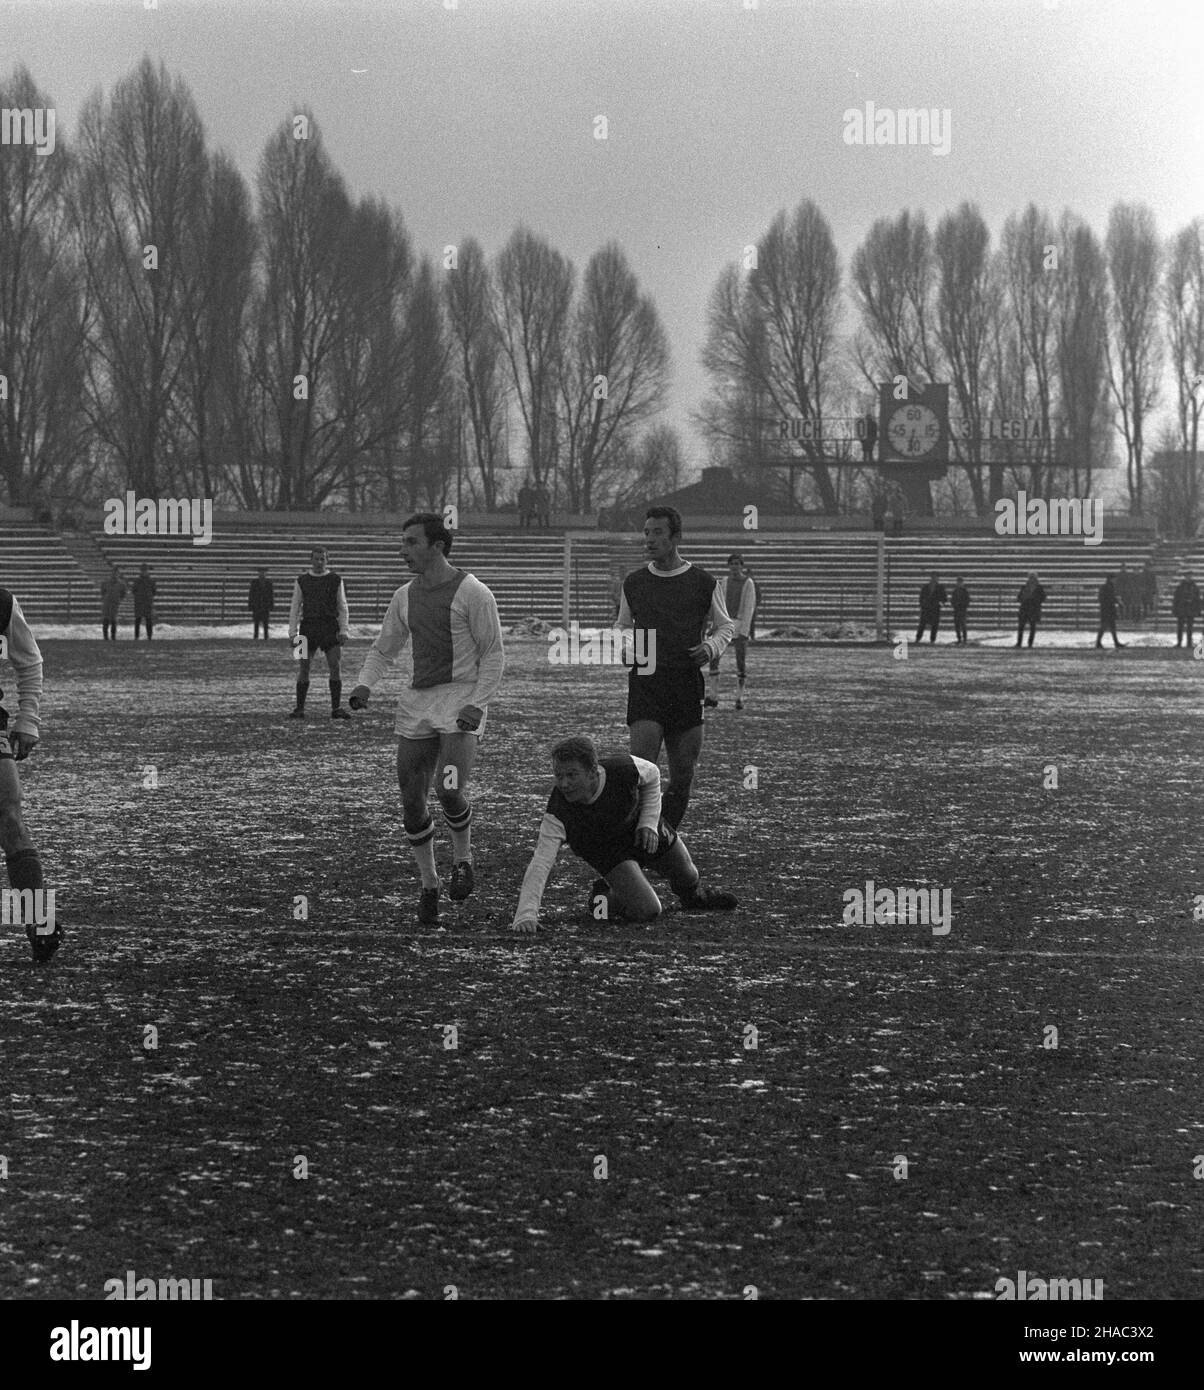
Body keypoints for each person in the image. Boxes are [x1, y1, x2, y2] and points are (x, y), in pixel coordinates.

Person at [349, 513, 505, 925]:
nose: (403, 551)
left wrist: (478, 702)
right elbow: (384, 649)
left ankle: (464, 860)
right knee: (411, 801)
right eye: (403, 542)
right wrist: (365, 684)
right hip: (418, 704)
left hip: (461, 701)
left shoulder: (474, 592)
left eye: (411, 542)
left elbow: (493, 654)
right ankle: (429, 884)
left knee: (448, 788)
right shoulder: (404, 596)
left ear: (437, 546)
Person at [510, 735, 737, 934]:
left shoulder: (623, 769)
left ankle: (694, 897)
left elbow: (653, 774)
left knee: (687, 875)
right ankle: (601, 898)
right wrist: (526, 914)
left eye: (571, 774)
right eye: (559, 776)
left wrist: (648, 823)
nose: (564, 783)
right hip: (607, 851)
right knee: (647, 910)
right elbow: (540, 863)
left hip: (637, 829)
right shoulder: (558, 814)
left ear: (592, 772)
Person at [616, 506, 734, 830]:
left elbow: (726, 626)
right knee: (640, 773)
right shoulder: (635, 582)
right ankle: (629, 855)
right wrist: (628, 647)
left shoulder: (703, 582)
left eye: (657, 533)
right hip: (647, 682)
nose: (650, 540)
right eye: (646, 533)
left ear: (676, 537)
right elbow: (623, 625)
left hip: (685, 684)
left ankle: (660, 841)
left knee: (683, 777)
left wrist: (710, 647)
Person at [0, 587, 58, 961]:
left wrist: (28, 719)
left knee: (9, 817)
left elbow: (29, 660)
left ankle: (39, 922)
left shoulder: (1, 602)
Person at [287, 546, 350, 719]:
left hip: (330, 627)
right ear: (311, 560)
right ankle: (299, 708)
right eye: (316, 558)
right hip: (307, 628)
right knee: (303, 667)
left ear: (327, 560)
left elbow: (342, 606)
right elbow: (295, 607)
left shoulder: (336, 579)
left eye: (322, 559)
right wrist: (293, 633)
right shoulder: (301, 581)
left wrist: (344, 630)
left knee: (335, 666)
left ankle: (336, 708)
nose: (319, 562)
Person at [705, 552, 756, 711]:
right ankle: (713, 696)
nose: (734, 566)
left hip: (740, 624)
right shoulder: (724, 582)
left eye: (737, 563)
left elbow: (749, 607)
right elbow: (718, 605)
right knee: (715, 657)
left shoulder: (748, 583)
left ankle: (739, 696)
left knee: (740, 661)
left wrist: (745, 630)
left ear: (742, 565)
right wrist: (714, 625)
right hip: (724, 624)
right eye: (732, 563)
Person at [1015, 572, 1047, 648]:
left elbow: (1043, 598)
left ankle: (1029, 643)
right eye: (1031, 577)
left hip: (1032, 609)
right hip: (1026, 609)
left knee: (1031, 627)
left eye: (1033, 578)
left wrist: (1034, 600)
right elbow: (1019, 598)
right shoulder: (1025, 587)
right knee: (1021, 627)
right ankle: (1020, 643)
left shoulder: (1038, 588)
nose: (1032, 579)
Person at [1171, 571, 1201, 649]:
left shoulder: (1195, 587)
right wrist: (1175, 609)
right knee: (1180, 627)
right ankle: (1179, 642)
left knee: (1190, 628)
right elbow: (1176, 599)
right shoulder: (1180, 587)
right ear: (1185, 577)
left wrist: (1197, 609)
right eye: (1187, 576)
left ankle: (1189, 643)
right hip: (1182, 609)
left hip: (1191, 609)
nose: (1189, 578)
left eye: (1190, 576)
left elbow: (1198, 599)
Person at [915, 573, 947, 644]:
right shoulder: (925, 587)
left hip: (935, 608)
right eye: (933, 578)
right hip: (926, 608)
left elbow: (944, 598)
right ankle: (918, 638)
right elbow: (921, 597)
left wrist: (940, 604)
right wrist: (922, 604)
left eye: (935, 578)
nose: (934, 579)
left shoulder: (940, 588)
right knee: (922, 624)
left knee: (934, 625)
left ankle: (932, 639)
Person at [1095, 575, 1125, 649]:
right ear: (1111, 579)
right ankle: (1099, 642)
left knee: (1110, 626)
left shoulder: (1107, 587)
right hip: (1108, 609)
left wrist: (1117, 602)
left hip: (1107, 609)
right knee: (1106, 626)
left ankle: (1113, 642)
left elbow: (1107, 598)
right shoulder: (1107, 587)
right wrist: (1118, 602)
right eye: (1114, 579)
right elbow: (1110, 598)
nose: (1115, 581)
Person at [100, 567, 126, 641]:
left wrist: (119, 600)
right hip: (107, 603)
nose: (114, 574)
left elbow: (123, 593)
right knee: (106, 619)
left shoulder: (121, 584)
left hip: (115, 603)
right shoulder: (106, 582)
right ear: (111, 573)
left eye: (116, 573)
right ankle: (105, 637)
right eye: (113, 573)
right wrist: (105, 598)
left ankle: (113, 637)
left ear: (118, 574)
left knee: (113, 620)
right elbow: (102, 591)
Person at [132, 563, 157, 640]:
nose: (144, 572)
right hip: (139, 603)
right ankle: (136, 636)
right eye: (143, 570)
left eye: (145, 570)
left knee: (148, 620)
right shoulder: (137, 581)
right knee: (137, 620)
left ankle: (149, 636)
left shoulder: (151, 581)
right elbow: (134, 590)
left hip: (147, 603)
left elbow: (154, 591)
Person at [249, 567, 274, 640]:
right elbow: (251, 594)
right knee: (256, 621)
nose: (262, 574)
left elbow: (271, 595)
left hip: (265, 605)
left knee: (266, 621)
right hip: (257, 604)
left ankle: (266, 636)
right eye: (261, 573)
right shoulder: (254, 583)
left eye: (263, 573)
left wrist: (271, 605)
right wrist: (251, 605)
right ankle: (256, 635)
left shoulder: (269, 583)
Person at [950, 576, 970, 645]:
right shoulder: (955, 591)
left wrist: (962, 605)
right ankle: (959, 638)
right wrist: (955, 605)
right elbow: (952, 600)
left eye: (960, 582)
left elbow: (967, 600)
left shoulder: (965, 591)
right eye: (958, 582)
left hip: (962, 610)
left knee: (963, 625)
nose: (959, 583)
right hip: (956, 610)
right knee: (957, 625)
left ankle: (964, 639)